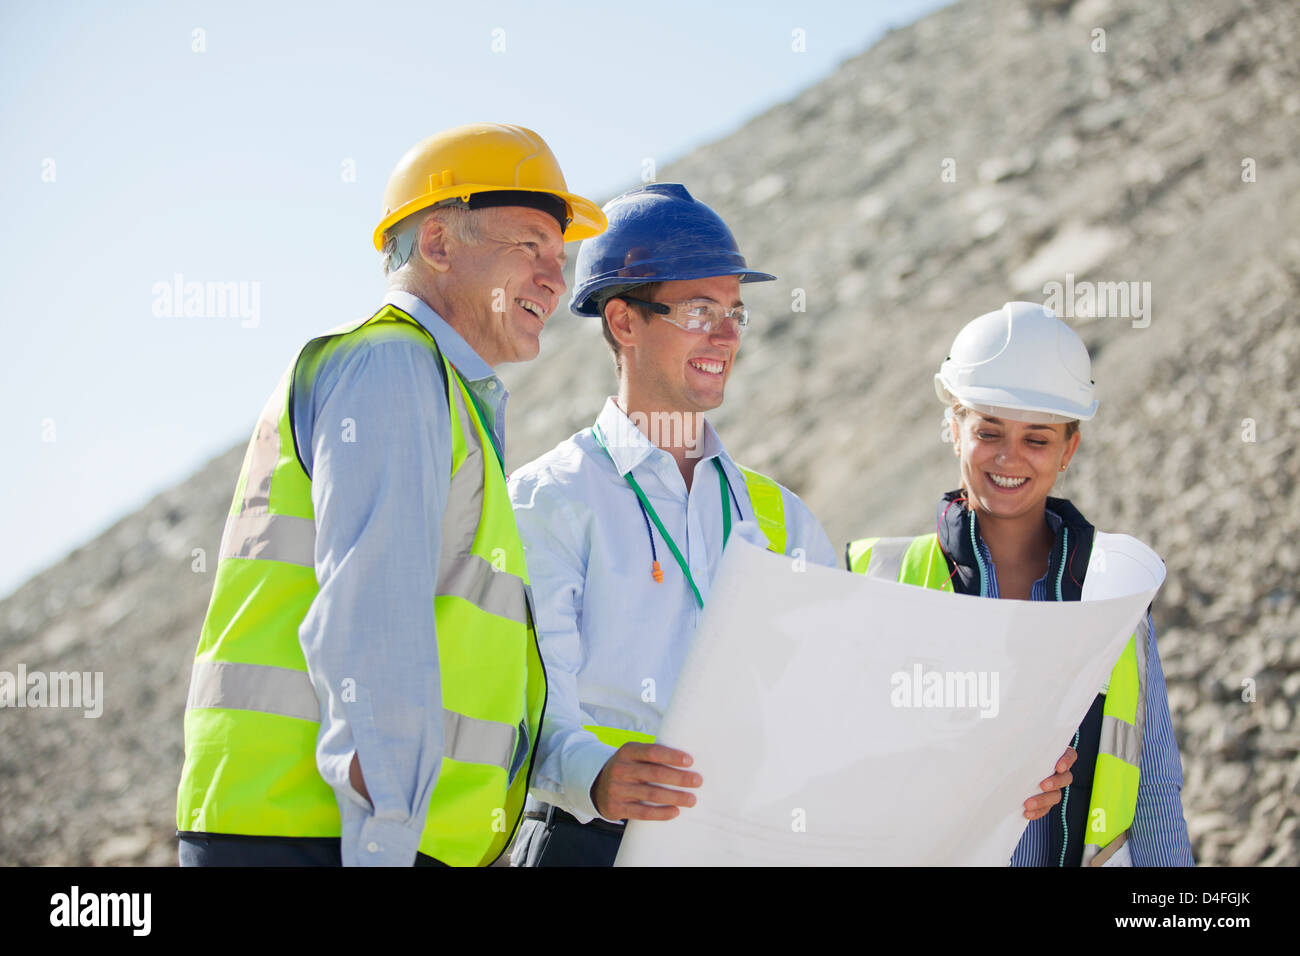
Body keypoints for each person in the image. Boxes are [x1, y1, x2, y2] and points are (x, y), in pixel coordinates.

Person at [508, 185, 1074, 866]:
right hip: (588, 844)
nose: (725, 336)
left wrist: (992, 771)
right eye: (699, 311)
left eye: (735, 314)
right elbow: (521, 713)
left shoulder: (777, 516)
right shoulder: (550, 498)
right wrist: (594, 775)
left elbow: (844, 711)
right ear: (624, 322)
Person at [175, 123, 605, 866]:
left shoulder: (439, 391)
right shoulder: (393, 369)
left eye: (559, 257)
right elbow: (370, 630)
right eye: (530, 245)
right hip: (325, 840)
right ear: (438, 244)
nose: (555, 279)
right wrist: (386, 844)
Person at [847, 301, 1194, 866]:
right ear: (954, 429)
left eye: (1037, 438)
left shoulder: (1113, 591)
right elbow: (841, 783)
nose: (1010, 457)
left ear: (1068, 450)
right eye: (989, 430)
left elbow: (1152, 792)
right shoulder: (881, 582)